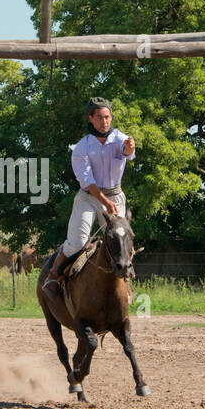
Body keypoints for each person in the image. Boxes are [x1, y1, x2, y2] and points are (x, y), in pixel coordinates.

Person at [42, 97, 136, 298]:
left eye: (108, 117)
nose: (105, 122)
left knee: (121, 238)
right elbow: (88, 182)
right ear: (91, 118)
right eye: (100, 118)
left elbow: (128, 152)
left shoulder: (120, 138)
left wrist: (130, 147)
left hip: (115, 195)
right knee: (77, 242)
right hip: (89, 197)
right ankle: (52, 277)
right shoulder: (81, 147)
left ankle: (127, 280)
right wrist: (105, 202)